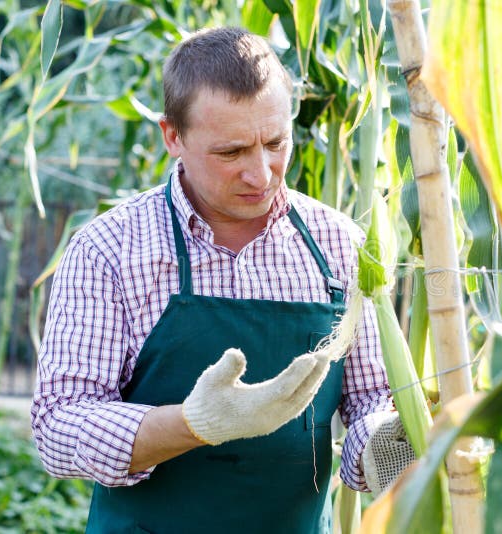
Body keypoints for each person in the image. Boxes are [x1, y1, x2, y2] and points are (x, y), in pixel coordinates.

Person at [31, 26, 412, 534]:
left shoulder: (339, 245)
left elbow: (371, 400)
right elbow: (58, 426)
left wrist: (393, 447)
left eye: (276, 143)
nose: (261, 174)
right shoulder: (110, 249)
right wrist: (195, 424)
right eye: (231, 153)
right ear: (173, 137)